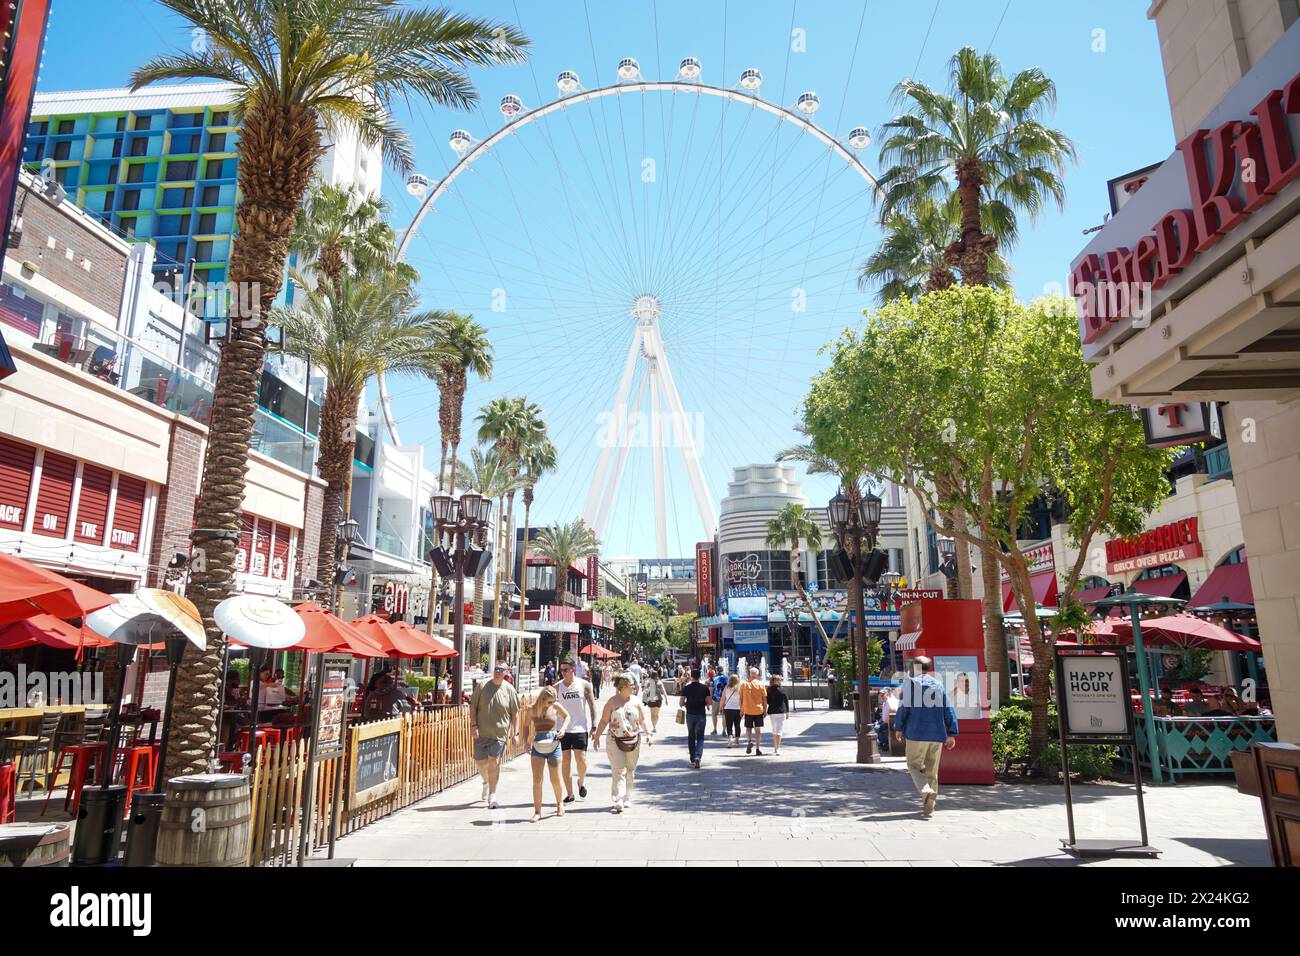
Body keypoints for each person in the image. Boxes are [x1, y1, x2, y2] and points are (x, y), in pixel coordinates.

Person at [893, 656, 958, 817]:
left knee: (913, 766)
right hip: (937, 734)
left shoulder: (910, 684)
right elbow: (948, 709)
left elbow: (903, 708)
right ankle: (930, 805)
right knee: (932, 771)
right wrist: (951, 733)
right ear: (929, 669)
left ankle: (926, 792)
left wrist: (898, 727)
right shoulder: (938, 685)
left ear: (915, 669)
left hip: (916, 732)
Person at [593, 676, 653, 813]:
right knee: (619, 769)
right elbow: (603, 721)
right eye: (631, 685)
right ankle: (618, 799)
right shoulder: (612, 702)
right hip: (615, 740)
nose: (634, 687)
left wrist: (649, 734)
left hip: (633, 741)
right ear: (623, 687)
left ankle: (627, 796)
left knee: (630, 769)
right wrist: (596, 737)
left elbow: (643, 720)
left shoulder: (636, 701)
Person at [470, 664, 519, 809]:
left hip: (500, 733)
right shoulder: (482, 686)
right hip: (481, 732)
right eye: (495, 669)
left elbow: (515, 714)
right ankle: (486, 781)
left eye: (500, 670)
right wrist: (474, 725)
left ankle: (493, 795)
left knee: (494, 761)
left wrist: (515, 734)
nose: (497, 672)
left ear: (506, 672)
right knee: (480, 762)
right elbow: (473, 706)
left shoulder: (510, 689)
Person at [522, 685, 571, 822]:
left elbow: (567, 716)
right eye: (550, 701)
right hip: (538, 744)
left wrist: (563, 729)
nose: (552, 703)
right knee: (537, 779)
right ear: (542, 699)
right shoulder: (532, 709)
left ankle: (559, 804)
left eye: (554, 700)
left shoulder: (555, 706)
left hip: (554, 742)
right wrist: (526, 741)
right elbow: (526, 726)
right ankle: (537, 811)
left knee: (555, 779)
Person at [554, 659, 598, 803]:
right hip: (562, 729)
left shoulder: (584, 685)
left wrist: (594, 725)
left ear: (573, 669)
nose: (563, 672)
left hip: (580, 727)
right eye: (561, 670)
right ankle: (570, 793)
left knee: (581, 760)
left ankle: (581, 781)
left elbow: (592, 706)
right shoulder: (557, 687)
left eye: (565, 669)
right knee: (566, 760)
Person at [679, 668, 711, 768]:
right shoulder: (705, 688)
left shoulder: (686, 688)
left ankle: (693, 757)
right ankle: (698, 756)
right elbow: (709, 702)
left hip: (690, 715)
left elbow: (681, 703)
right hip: (701, 714)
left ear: (691, 676)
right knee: (700, 737)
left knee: (691, 736)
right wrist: (703, 703)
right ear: (699, 676)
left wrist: (686, 704)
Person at [739, 667, 768, 755]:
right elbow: (764, 699)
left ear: (750, 674)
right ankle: (758, 749)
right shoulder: (761, 685)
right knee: (758, 730)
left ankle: (749, 741)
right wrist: (765, 710)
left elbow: (741, 699)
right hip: (759, 710)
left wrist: (741, 709)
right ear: (757, 674)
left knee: (748, 728)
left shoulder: (744, 685)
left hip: (748, 710)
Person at [766, 673, 789, 755]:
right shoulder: (783, 689)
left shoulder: (768, 690)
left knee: (776, 730)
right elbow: (786, 701)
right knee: (777, 730)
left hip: (774, 712)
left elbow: (767, 701)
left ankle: (777, 747)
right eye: (778, 680)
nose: (778, 681)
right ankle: (777, 748)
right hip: (780, 711)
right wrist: (787, 712)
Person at [720, 674, 743, 747]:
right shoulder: (740, 688)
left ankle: (730, 738)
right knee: (737, 724)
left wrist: (721, 707)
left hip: (728, 709)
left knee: (729, 725)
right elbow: (742, 700)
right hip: (738, 709)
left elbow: (723, 699)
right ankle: (737, 739)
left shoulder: (726, 688)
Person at [709, 668, 727, 735]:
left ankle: (715, 729)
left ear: (716, 671)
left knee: (714, 715)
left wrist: (710, 699)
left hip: (715, 698)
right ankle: (724, 730)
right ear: (723, 670)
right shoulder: (727, 678)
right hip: (725, 699)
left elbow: (711, 689)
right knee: (724, 715)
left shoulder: (713, 678)